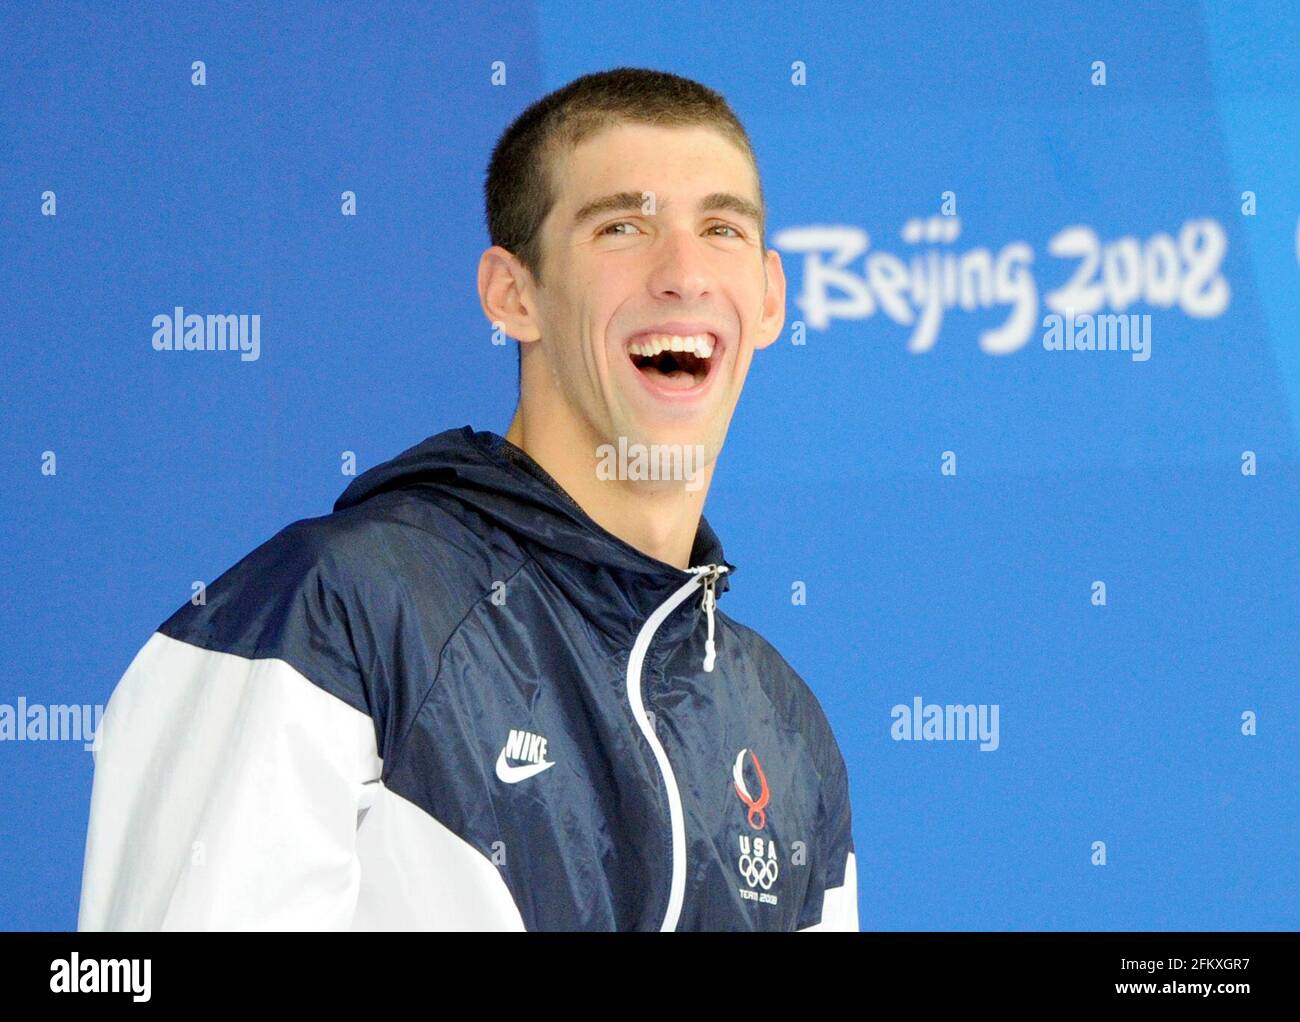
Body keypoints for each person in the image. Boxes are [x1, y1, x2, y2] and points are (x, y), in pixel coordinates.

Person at [77, 66, 858, 931]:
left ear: (770, 298)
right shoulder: (332, 615)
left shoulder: (784, 728)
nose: (683, 273)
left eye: (721, 229)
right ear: (512, 294)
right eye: (622, 227)